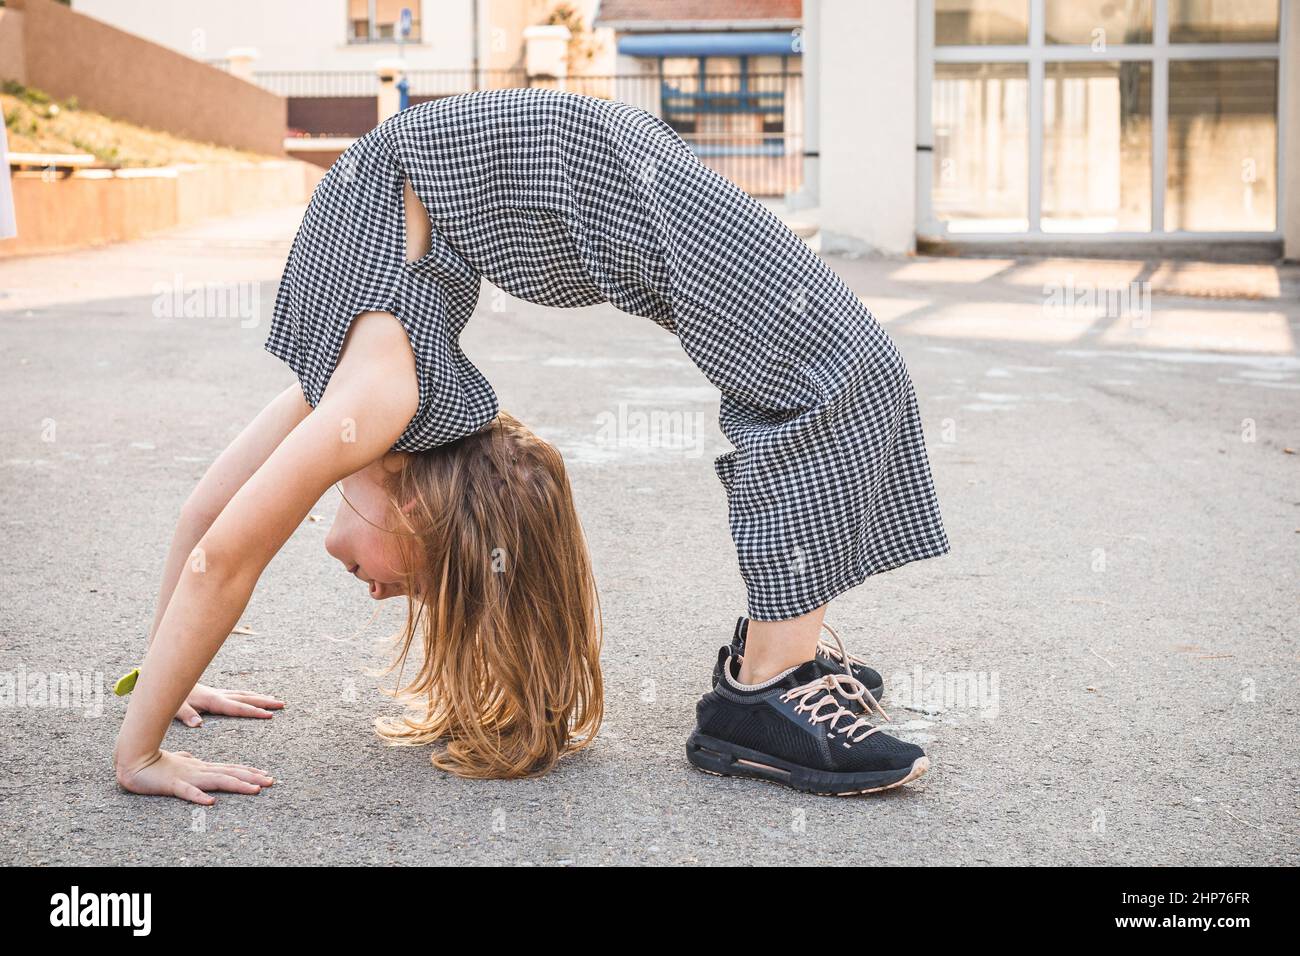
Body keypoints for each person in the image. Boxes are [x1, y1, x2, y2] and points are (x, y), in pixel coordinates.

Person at [113, 88, 949, 803]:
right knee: (838, 363)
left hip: (580, 168)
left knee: (840, 368)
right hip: (570, 168)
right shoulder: (365, 393)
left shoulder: (368, 401)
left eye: (419, 583)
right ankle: (771, 676)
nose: (381, 595)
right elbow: (210, 522)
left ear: (418, 509)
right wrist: (170, 685)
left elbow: (216, 551)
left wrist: (140, 752)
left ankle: (766, 686)